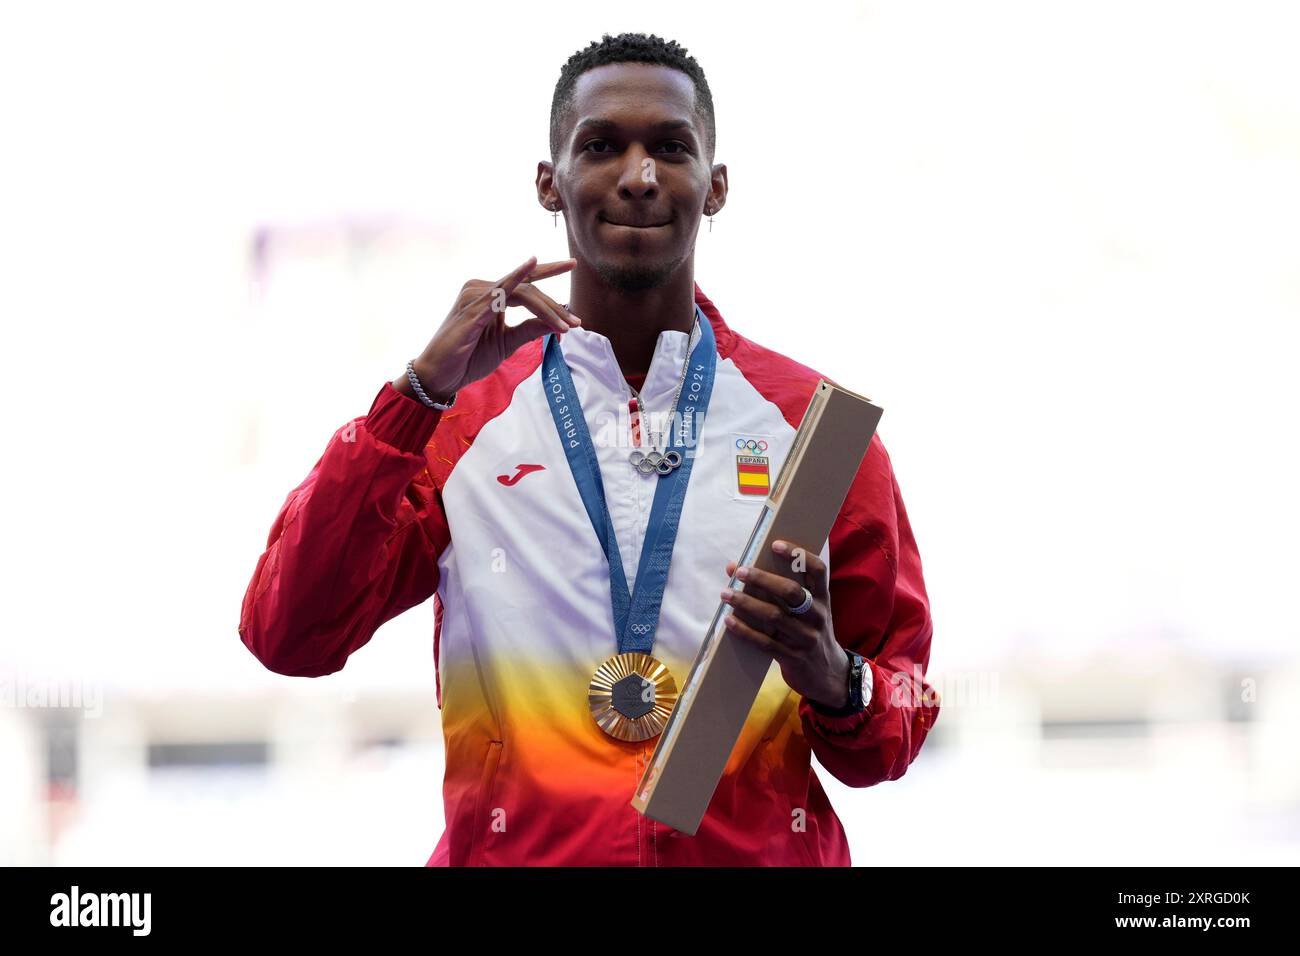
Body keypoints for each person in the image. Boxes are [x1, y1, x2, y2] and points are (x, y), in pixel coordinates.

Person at [239, 32, 940, 866]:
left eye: (671, 149)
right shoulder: (457, 421)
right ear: (550, 181)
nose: (638, 176)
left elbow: (896, 723)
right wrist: (416, 395)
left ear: (715, 187)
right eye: (602, 145)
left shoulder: (815, 433)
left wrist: (832, 675)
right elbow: (290, 633)